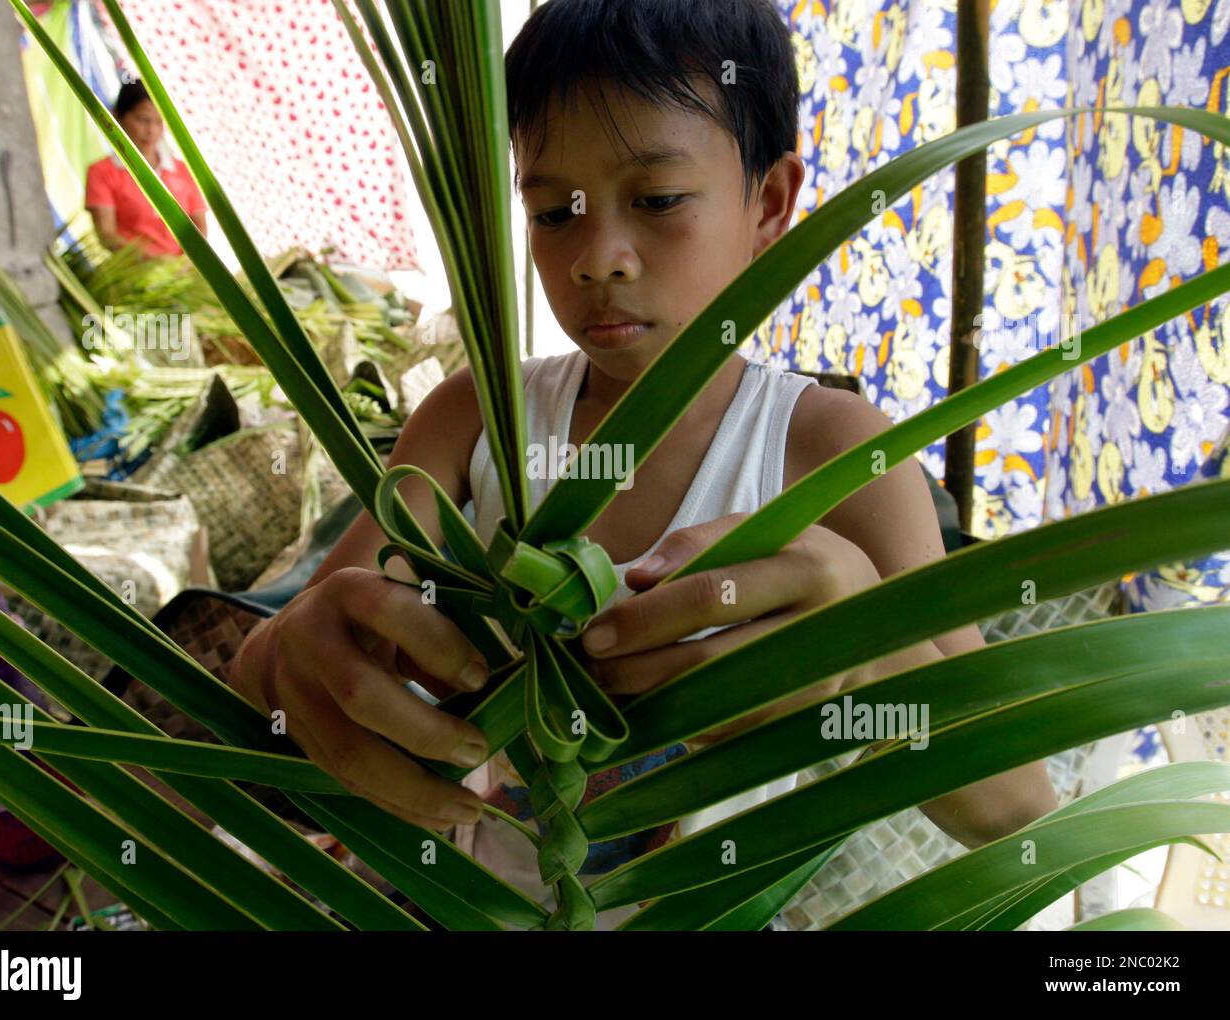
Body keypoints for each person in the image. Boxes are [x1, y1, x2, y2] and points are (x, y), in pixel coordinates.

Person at [229, 0, 1059, 927]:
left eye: (658, 200)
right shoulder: (478, 419)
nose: (597, 259)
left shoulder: (832, 453)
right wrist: (294, 655)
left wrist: (862, 656)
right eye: (552, 213)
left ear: (770, 202)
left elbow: (1017, 811)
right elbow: (271, 680)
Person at [85, 80, 207, 257]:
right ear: (118, 117)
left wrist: (184, 266)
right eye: (143, 120)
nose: (151, 130)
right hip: (131, 274)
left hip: (182, 272)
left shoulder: (183, 171)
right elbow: (107, 235)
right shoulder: (102, 172)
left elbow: (200, 230)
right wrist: (154, 263)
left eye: (159, 122)